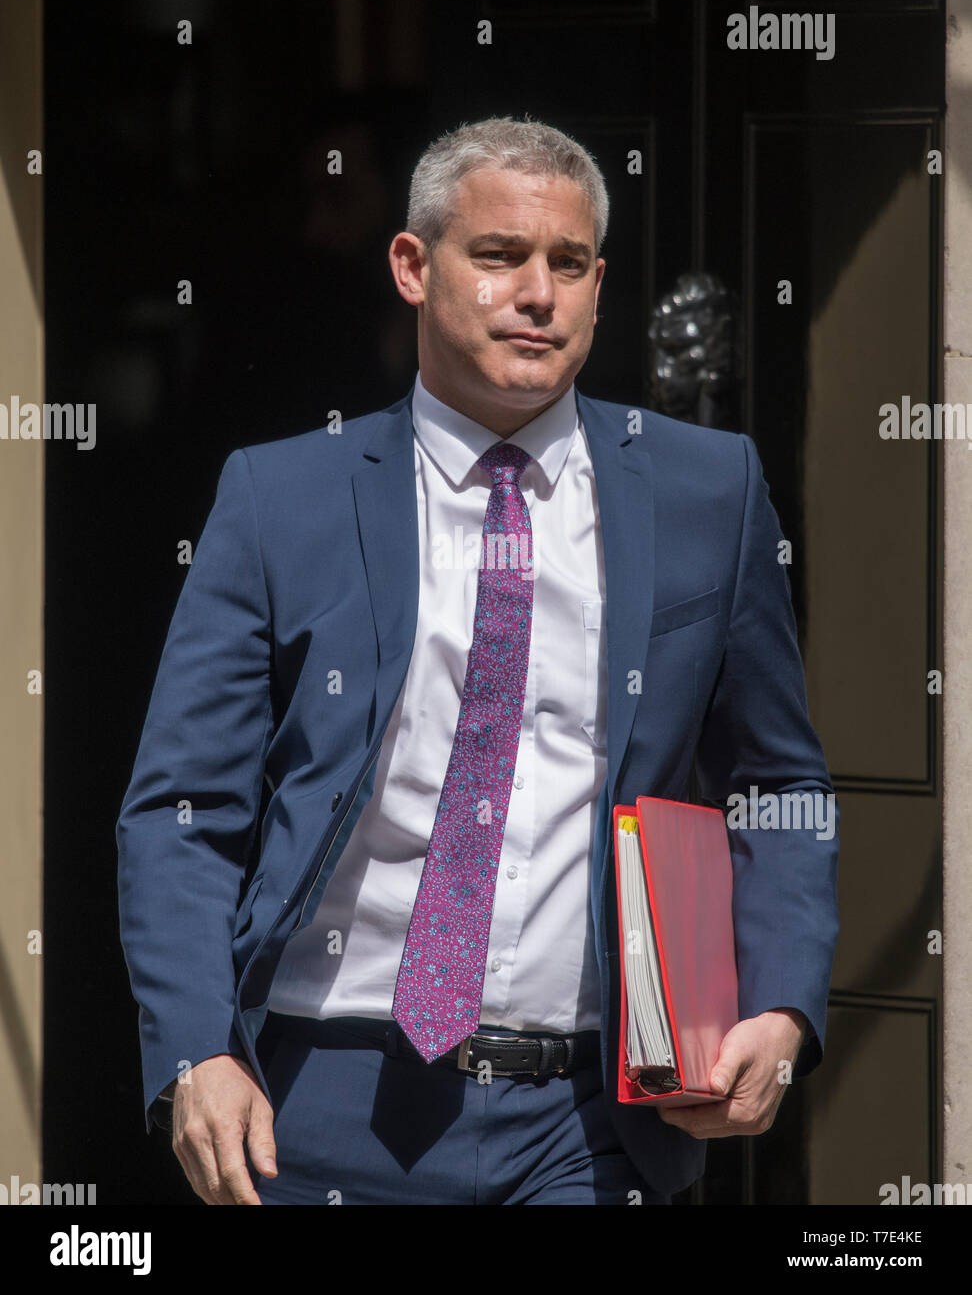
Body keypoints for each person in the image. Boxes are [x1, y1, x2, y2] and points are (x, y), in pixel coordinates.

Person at [116, 116, 839, 1206]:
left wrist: (781, 1009)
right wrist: (194, 1052)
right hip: (323, 1098)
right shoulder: (282, 499)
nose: (538, 294)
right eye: (499, 256)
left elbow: (778, 783)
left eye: (570, 263)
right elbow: (182, 810)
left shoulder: (708, 493)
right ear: (414, 266)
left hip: (593, 1124)